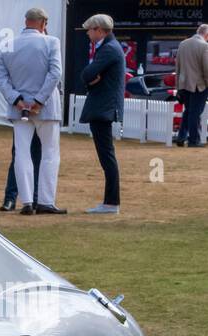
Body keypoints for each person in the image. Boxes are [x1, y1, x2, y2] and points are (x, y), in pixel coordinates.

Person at [0, 8, 65, 215]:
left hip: (19, 109)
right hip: (46, 109)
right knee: (50, 153)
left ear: (26, 22)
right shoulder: (51, 42)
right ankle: (45, 201)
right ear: (44, 22)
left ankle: (26, 201)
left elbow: (1, 79)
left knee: (22, 154)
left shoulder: (8, 45)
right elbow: (55, 73)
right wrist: (39, 100)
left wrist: (17, 100)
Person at [79, 14, 124, 213]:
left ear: (99, 29)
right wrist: (91, 78)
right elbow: (90, 75)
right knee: (107, 156)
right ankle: (110, 202)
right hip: (104, 107)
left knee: (107, 157)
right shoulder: (109, 48)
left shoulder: (109, 49)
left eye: (90, 29)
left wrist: (91, 78)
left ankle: (111, 202)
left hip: (103, 108)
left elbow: (86, 74)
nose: (88, 33)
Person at [174, 24, 208, 147]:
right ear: (206, 35)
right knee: (195, 113)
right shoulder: (204, 46)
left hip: (184, 84)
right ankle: (194, 141)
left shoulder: (183, 44)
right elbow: (206, 69)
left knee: (188, 111)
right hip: (199, 85)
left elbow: (177, 67)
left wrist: (177, 87)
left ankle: (181, 137)